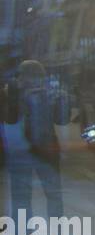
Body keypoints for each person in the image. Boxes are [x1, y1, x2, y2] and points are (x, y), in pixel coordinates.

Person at [4, 60, 69, 223]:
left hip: (23, 152)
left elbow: (10, 119)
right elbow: (62, 120)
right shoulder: (44, 93)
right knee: (52, 197)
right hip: (45, 152)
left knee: (22, 199)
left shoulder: (44, 93)